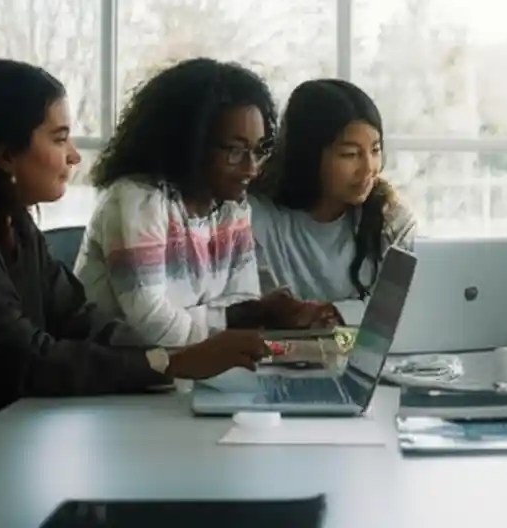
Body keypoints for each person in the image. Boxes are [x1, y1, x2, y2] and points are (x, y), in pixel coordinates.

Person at [0, 60, 270, 462]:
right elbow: (29, 361)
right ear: (7, 156)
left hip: (0, 449)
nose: (75, 156)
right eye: (60, 139)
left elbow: (79, 319)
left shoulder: (15, 226)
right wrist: (170, 361)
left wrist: (185, 360)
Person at [76, 58, 336, 347]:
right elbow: (154, 329)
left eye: (258, 149)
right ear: (189, 143)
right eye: (235, 150)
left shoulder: (231, 207)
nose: (251, 168)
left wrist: (254, 313)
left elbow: (241, 301)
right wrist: (248, 315)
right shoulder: (137, 202)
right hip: (115, 376)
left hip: (185, 373)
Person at [249, 79, 416, 304]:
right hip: (275, 340)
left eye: (375, 150)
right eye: (350, 154)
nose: (369, 169)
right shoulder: (254, 218)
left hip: (363, 340)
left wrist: (338, 327)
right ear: (308, 156)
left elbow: (391, 321)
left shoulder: (391, 220)